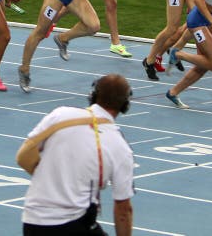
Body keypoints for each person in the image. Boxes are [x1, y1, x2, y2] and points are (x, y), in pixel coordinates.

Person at [18, 74, 134, 235]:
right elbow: (123, 210)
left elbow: (23, 156)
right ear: (125, 104)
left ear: (93, 95)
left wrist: (50, 178)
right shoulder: (120, 146)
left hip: (33, 221)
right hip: (74, 223)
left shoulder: (60, 115)